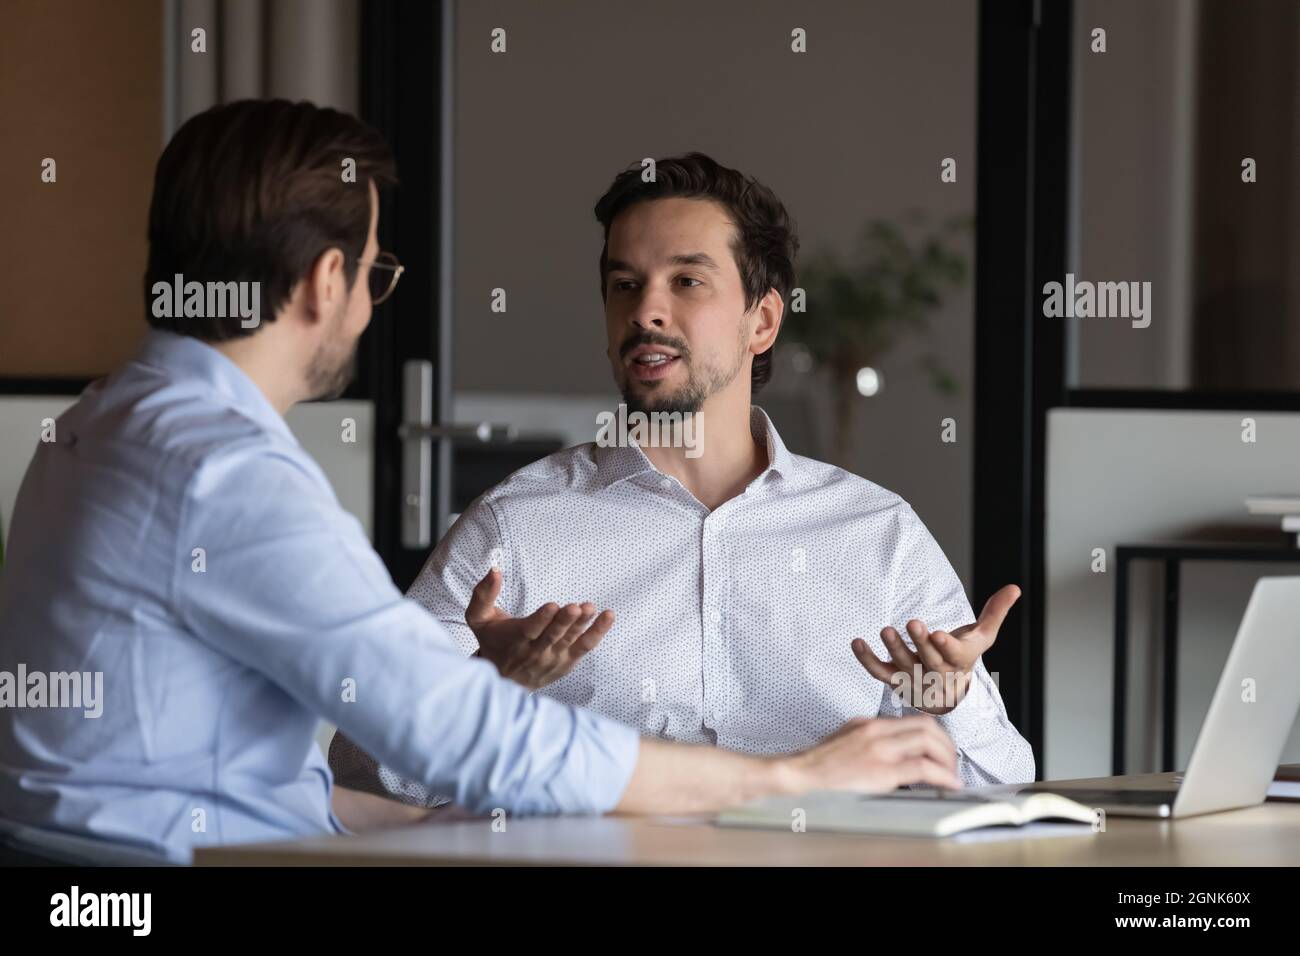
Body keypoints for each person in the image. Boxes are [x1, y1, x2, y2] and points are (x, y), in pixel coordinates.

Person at [0, 103, 961, 864]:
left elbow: (263, 782)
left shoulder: (98, 422)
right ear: (324, 283)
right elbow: (450, 731)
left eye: (688, 281)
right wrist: (784, 783)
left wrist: (445, 817)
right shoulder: (229, 475)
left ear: (764, 320)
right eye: (377, 277)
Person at [331, 152, 1034, 810]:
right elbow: (363, 781)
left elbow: (1003, 785)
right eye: (624, 285)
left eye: (687, 281)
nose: (646, 311)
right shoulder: (515, 526)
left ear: (762, 321)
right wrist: (487, 690)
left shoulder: (878, 533)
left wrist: (948, 697)